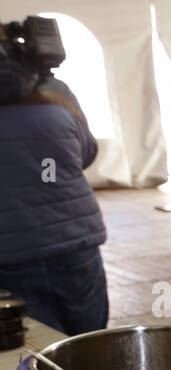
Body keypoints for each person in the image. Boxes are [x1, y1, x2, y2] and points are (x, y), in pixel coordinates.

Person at [0, 62, 108, 335]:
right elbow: (85, 155)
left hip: (13, 250)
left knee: (46, 350)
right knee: (91, 341)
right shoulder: (59, 106)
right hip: (75, 241)